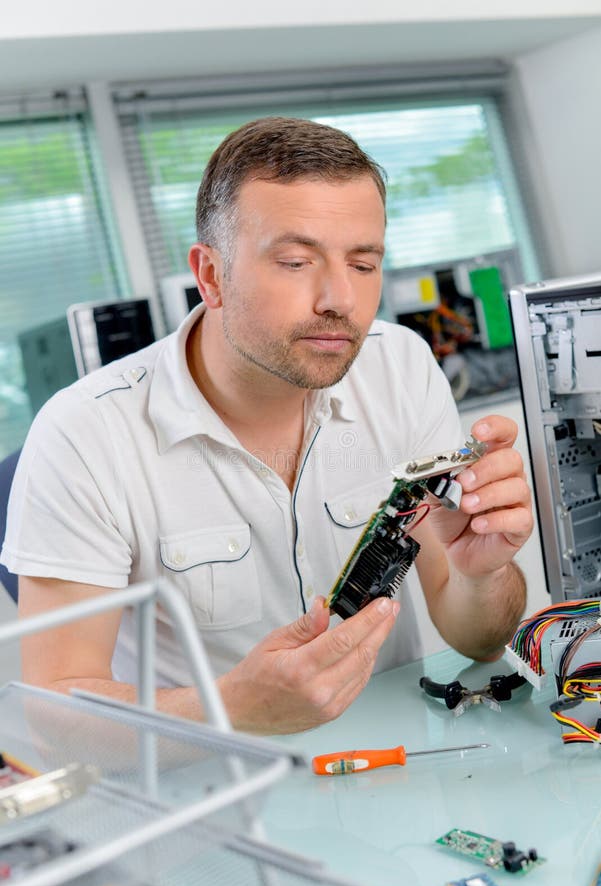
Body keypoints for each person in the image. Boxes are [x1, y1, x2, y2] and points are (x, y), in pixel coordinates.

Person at [1, 117, 533, 735]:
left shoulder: (403, 365)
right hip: (218, 788)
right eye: (295, 261)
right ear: (211, 276)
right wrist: (232, 710)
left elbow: (480, 642)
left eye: (363, 265)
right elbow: (56, 712)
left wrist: (481, 573)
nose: (339, 298)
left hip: (408, 766)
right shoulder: (84, 432)